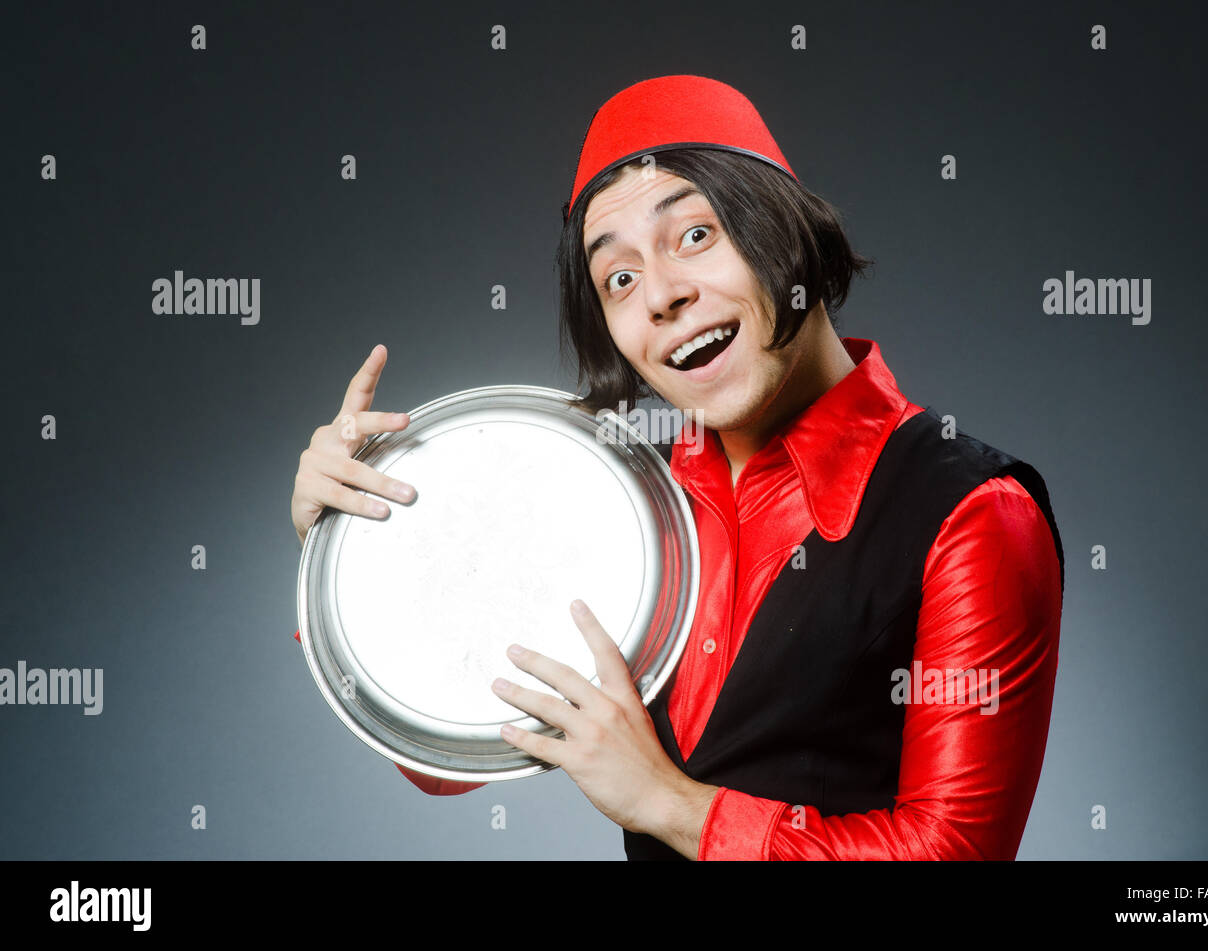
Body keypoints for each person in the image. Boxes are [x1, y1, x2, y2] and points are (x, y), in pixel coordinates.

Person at [289, 75, 1065, 861]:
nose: (658, 294)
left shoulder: (972, 513)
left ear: (788, 232)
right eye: (617, 278)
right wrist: (343, 549)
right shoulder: (625, 502)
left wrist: (668, 802)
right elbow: (461, 755)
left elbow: (954, 851)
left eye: (694, 235)